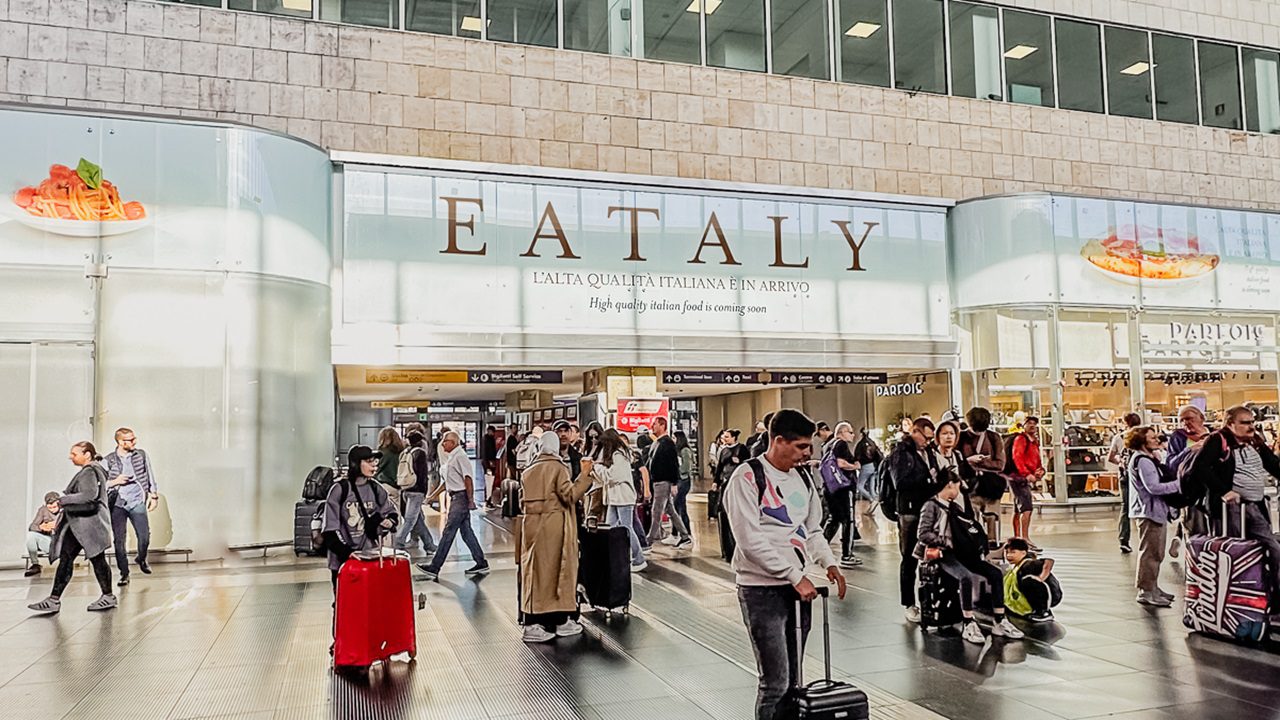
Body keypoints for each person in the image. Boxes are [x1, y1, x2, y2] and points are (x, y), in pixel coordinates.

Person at [724, 409, 847, 720]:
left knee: (793, 681)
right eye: (801, 446)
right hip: (760, 590)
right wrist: (794, 575)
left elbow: (812, 529)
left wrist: (829, 562)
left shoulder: (803, 478)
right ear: (778, 441)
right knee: (775, 682)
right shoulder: (747, 477)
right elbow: (750, 541)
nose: (808, 453)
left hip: (795, 590)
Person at [914, 470, 1024, 643]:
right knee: (965, 577)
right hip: (943, 554)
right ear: (949, 485)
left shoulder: (954, 506)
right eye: (957, 486)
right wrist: (945, 541)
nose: (959, 490)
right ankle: (968, 622)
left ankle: (1000, 619)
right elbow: (922, 533)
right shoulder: (931, 506)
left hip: (961, 553)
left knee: (995, 574)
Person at [1188, 406, 1280, 596]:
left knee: (1272, 547)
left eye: (1252, 422)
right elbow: (1201, 467)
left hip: (1255, 505)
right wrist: (1224, 491)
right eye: (1245, 422)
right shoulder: (1217, 440)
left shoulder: (1254, 441)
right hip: (1230, 508)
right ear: (1230, 423)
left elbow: (1273, 464)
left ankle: (1272, 595)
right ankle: (1232, 596)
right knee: (1233, 551)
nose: (1250, 426)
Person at [518, 432, 597, 642]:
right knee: (559, 571)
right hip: (555, 527)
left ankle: (533, 622)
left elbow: (521, 502)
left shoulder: (528, 470)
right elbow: (569, 495)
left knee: (535, 574)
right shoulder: (557, 467)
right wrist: (585, 475)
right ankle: (562, 620)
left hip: (531, 527)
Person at [28, 442, 117, 614]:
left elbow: (88, 495)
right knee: (69, 559)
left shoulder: (89, 471)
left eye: (74, 454)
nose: (71, 457)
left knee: (94, 560)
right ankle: (55, 599)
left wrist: (63, 500)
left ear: (87, 455)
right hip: (81, 525)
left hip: (87, 524)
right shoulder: (93, 470)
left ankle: (107, 596)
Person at [321, 444, 399, 592]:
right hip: (343, 561)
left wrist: (389, 521)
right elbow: (330, 531)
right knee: (345, 603)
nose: (374, 465)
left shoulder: (376, 489)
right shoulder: (340, 490)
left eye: (374, 461)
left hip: (369, 557)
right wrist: (347, 553)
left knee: (368, 603)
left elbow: (392, 513)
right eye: (369, 461)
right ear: (356, 464)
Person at [885, 417, 939, 623]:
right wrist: (927, 481)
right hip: (909, 510)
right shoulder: (901, 452)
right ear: (915, 432)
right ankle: (909, 603)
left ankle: (931, 599)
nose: (928, 441)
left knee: (931, 554)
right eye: (925, 437)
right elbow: (900, 481)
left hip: (929, 507)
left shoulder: (928, 451)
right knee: (909, 557)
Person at [418, 431, 490, 580]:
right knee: (466, 533)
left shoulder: (460, 456)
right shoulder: (452, 457)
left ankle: (435, 566)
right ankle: (481, 562)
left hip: (461, 498)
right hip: (456, 496)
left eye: (446, 441)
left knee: (448, 531)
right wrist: (432, 496)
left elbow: (468, 479)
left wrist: (470, 500)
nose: (443, 443)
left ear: (454, 442)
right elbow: (447, 482)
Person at [1127, 426, 1181, 607]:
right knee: (1150, 553)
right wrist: (1177, 485)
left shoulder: (1148, 459)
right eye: (1151, 437)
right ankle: (1146, 590)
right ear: (1142, 441)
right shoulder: (1143, 461)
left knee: (1156, 552)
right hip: (1149, 511)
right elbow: (1154, 487)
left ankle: (1152, 587)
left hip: (1152, 510)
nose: (1156, 440)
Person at [104, 427, 159, 586]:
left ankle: (141, 558)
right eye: (131, 440)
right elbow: (101, 483)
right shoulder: (109, 460)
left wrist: (153, 495)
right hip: (118, 504)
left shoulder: (141, 455)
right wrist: (116, 481)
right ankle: (124, 573)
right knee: (119, 540)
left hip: (137, 501)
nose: (135, 442)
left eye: (135, 438)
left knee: (144, 536)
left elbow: (150, 474)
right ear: (121, 442)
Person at [593, 429, 647, 571]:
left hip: (623, 497)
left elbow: (613, 477)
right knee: (611, 527)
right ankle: (616, 556)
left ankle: (638, 558)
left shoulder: (619, 455)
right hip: (616, 497)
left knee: (626, 528)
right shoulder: (620, 454)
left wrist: (597, 468)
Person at [646, 417, 694, 548]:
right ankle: (684, 536)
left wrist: (673, 483)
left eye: (655, 424)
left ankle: (649, 540)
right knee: (670, 510)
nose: (652, 426)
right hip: (658, 481)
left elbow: (673, 464)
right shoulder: (658, 443)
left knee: (657, 510)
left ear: (662, 425)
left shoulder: (667, 443)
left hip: (663, 481)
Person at [823, 422, 863, 568]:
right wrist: (855, 466)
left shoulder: (828, 445)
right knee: (848, 520)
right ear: (842, 432)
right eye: (850, 432)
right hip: (843, 487)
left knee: (834, 518)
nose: (852, 435)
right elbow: (840, 463)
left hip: (830, 487)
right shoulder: (841, 444)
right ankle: (847, 554)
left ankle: (821, 547)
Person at [394, 426, 438, 558]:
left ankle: (429, 545)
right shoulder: (420, 453)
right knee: (410, 519)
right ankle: (398, 542)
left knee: (418, 519)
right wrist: (425, 491)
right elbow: (422, 474)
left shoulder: (405, 452)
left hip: (405, 488)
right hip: (416, 490)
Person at [959, 407, 1007, 516]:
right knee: (972, 521)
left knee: (992, 519)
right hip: (969, 486)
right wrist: (969, 461)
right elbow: (955, 461)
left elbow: (1000, 465)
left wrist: (977, 463)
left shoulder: (993, 437)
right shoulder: (960, 437)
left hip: (990, 486)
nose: (978, 433)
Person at [1107, 412, 1143, 554]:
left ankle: (1124, 540)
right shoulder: (1142, 436)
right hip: (1140, 475)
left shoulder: (1119, 437)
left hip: (1124, 475)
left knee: (1125, 507)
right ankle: (1143, 539)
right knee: (1144, 506)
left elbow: (1111, 457)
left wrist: (1121, 462)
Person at [1002, 538, 1062, 622]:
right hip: (1041, 595)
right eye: (1007, 552)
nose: (1008, 555)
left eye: (1013, 552)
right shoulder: (1016, 568)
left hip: (1051, 596)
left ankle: (1043, 612)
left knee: (1028, 581)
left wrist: (1041, 578)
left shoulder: (1029, 564)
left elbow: (1049, 561)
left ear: (1023, 553)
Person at [1009, 417, 1044, 549]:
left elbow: (1037, 459)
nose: (1032, 426)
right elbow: (1017, 457)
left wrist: (1040, 471)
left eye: (1034, 423)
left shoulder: (1034, 442)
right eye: (1029, 423)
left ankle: (1018, 537)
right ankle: (1024, 538)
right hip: (1018, 477)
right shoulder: (1021, 439)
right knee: (1026, 507)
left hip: (1023, 477)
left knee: (1019, 508)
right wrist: (1026, 474)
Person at [24, 492, 62, 577]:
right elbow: (32, 526)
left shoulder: (65, 510)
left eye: (54, 507)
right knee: (31, 535)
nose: (52, 509)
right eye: (50, 507)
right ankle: (35, 564)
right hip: (49, 541)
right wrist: (42, 527)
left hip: (63, 542)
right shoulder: (43, 510)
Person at [375, 427, 407, 506]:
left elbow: (376, 469)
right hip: (397, 485)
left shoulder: (382, 452)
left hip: (384, 484)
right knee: (395, 511)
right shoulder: (402, 452)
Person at [853, 428, 884, 508]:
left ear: (861, 434)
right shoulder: (872, 443)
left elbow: (857, 456)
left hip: (866, 466)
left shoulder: (860, 444)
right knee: (872, 488)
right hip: (874, 466)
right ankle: (874, 504)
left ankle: (872, 500)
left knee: (859, 486)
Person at [673, 430, 695, 532]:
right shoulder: (678, 450)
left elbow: (686, 466)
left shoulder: (685, 450)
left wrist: (676, 472)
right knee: (678, 505)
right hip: (681, 480)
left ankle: (684, 529)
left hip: (683, 480)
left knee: (680, 505)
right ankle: (679, 530)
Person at [482, 425, 500, 509]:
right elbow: (486, 453)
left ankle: (488, 499)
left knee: (490, 482)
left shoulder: (489, 439)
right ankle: (488, 500)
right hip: (488, 464)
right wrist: (487, 465)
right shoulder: (487, 440)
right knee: (489, 482)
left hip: (490, 463)